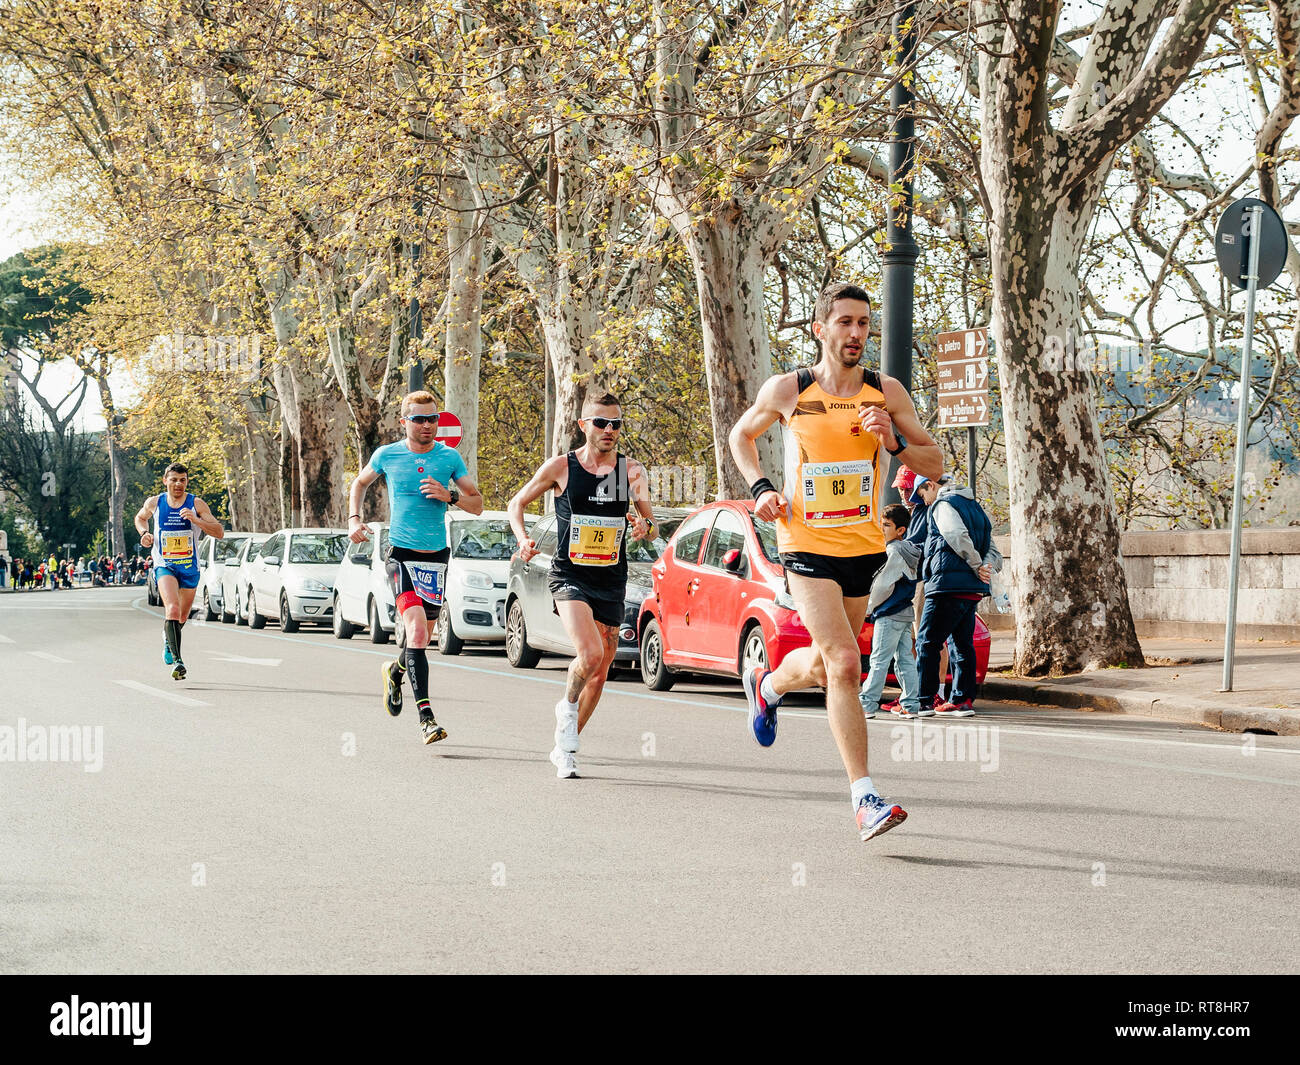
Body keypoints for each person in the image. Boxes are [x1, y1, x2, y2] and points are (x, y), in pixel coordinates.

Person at [728, 281, 944, 843]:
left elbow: (934, 462)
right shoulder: (789, 389)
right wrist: (763, 488)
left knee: (828, 669)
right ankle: (864, 797)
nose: (856, 334)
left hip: (863, 547)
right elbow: (740, 435)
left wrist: (893, 440)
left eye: (865, 324)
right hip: (804, 543)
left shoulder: (885, 391)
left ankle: (769, 685)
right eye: (845, 323)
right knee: (847, 664)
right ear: (820, 329)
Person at [508, 390, 655, 780]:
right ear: (583, 425)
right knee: (589, 654)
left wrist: (644, 527)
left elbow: (651, 526)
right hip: (569, 575)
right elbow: (516, 503)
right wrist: (523, 538)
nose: (609, 430)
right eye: (601, 423)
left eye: (616, 424)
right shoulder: (561, 467)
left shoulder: (631, 471)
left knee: (603, 667)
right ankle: (567, 711)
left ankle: (565, 745)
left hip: (611, 577)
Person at [347, 390, 484, 746]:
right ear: (404, 421)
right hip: (402, 555)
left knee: (420, 638)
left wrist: (449, 495)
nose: (427, 425)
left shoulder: (449, 458)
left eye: (433, 418)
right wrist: (354, 519)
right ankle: (426, 718)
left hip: (436, 556)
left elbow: (478, 505)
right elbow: (359, 483)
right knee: (418, 633)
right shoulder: (387, 455)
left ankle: (395, 671)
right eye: (419, 419)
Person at [916, 478, 1001, 716]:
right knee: (961, 643)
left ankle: (924, 700)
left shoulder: (943, 504)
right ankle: (961, 700)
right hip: (972, 588)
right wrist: (985, 567)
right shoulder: (975, 507)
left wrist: (976, 565)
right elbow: (993, 549)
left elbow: (955, 534)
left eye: (922, 494)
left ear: (932, 485)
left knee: (927, 642)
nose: (924, 500)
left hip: (947, 585)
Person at [134, 462, 224, 680]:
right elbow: (140, 518)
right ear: (165, 480)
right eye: (173, 479)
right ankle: (178, 661)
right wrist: (144, 533)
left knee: (182, 615)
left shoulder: (196, 504)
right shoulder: (155, 502)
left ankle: (168, 637)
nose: (178, 484)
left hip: (189, 567)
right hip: (165, 564)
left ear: (187, 482)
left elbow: (219, 531)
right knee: (172, 609)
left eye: (182, 480)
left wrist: (196, 520)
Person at [858, 503, 924, 720]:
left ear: (900, 531)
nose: (881, 528)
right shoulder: (909, 551)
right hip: (904, 613)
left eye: (886, 525)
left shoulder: (893, 551)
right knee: (905, 659)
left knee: (879, 660)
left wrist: (867, 608)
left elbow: (882, 586)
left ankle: (866, 704)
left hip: (889, 613)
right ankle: (911, 705)